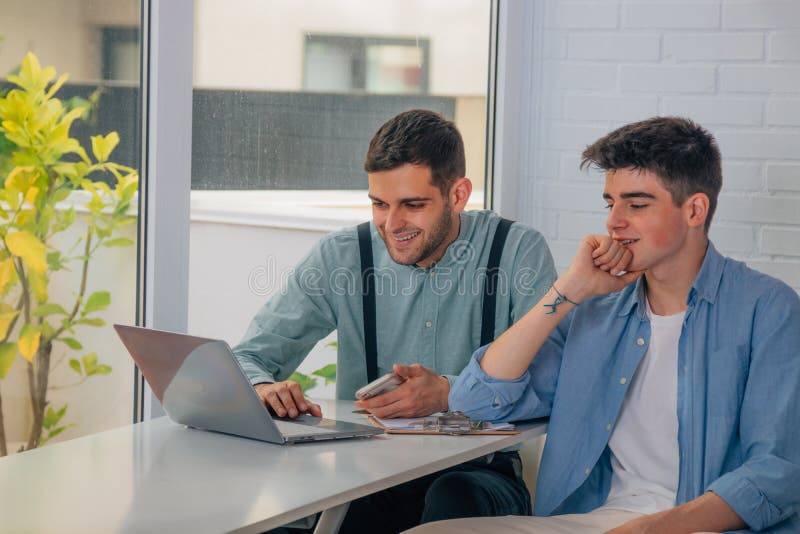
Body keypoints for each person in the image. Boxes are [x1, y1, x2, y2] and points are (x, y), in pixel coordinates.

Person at [408, 117, 800, 533]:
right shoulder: (595, 312)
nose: (614, 221)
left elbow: (777, 472)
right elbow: (473, 403)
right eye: (610, 203)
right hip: (592, 520)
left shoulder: (767, 309)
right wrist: (569, 289)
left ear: (694, 209)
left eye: (636, 204)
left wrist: (651, 528)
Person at [233, 109, 557, 532]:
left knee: (452, 497)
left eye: (412, 205)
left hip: (478, 477)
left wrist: (450, 393)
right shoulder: (342, 255)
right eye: (379, 204)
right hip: (367, 475)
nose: (392, 224)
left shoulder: (517, 251)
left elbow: (553, 385)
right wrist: (263, 387)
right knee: (279, 516)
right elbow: (249, 356)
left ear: (458, 195)